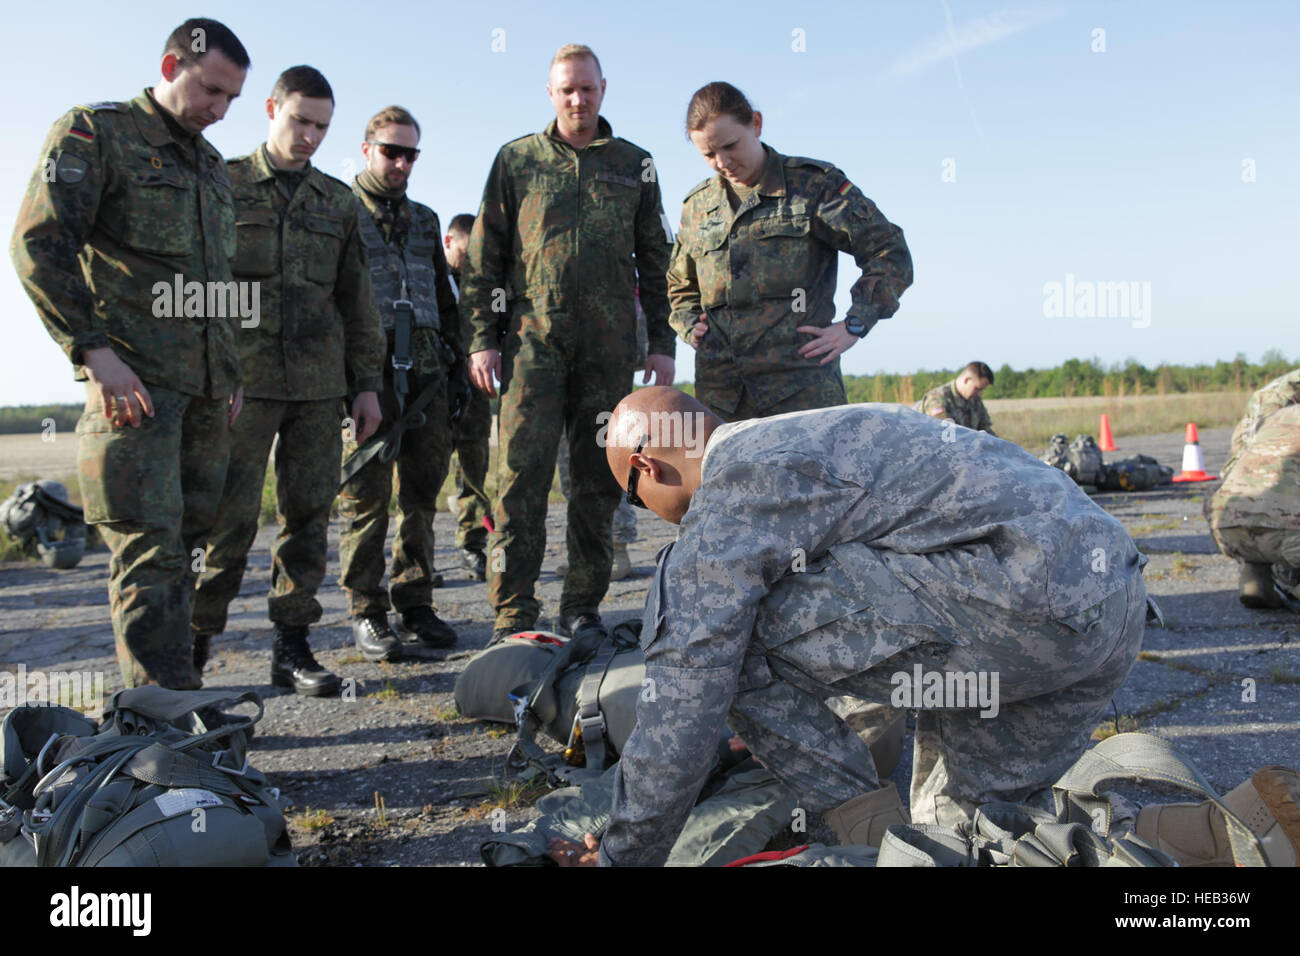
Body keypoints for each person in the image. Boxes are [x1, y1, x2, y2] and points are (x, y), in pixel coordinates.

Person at [584, 386, 1153, 865]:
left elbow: (683, 697)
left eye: (636, 502)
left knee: (723, 631)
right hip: (1112, 608)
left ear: (645, 467)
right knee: (961, 838)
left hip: (1024, 613)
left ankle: (860, 829)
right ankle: (1186, 838)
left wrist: (621, 856)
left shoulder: (734, 487)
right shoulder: (812, 429)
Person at [10, 18, 250, 690]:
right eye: (211, 90)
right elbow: (38, 245)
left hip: (205, 394)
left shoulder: (208, 163)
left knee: (187, 548)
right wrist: (92, 353)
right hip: (135, 391)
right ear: (171, 64)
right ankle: (156, 725)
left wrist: (229, 368)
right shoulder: (97, 132)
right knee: (147, 555)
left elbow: (217, 280)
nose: (220, 110)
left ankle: (176, 698)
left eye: (232, 98)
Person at [461, 44, 676, 644]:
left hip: (609, 350)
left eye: (587, 88)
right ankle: (514, 615)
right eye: (567, 90)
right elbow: (485, 259)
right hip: (532, 345)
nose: (578, 99)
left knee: (598, 482)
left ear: (604, 88)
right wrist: (482, 339)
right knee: (520, 480)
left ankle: (581, 607)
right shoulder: (517, 160)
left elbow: (658, 261)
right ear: (551, 94)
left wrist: (661, 342)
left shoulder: (636, 164)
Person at [191, 66, 385, 697]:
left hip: (317, 386)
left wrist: (365, 386)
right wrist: (212, 373)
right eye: (300, 120)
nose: (309, 136)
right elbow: (200, 288)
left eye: (322, 127)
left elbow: (358, 303)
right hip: (239, 385)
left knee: (307, 517)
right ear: (271, 108)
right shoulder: (222, 181)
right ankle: (189, 653)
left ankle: (291, 646)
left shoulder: (338, 202)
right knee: (228, 520)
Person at [668, 82, 912, 421]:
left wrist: (855, 323)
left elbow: (889, 251)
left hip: (801, 393)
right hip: (722, 398)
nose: (723, 162)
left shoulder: (813, 186)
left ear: (756, 123)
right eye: (708, 154)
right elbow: (679, 284)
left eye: (730, 145)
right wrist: (688, 323)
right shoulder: (697, 206)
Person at [339, 106, 464, 658]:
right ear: (367, 149)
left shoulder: (426, 219)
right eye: (391, 151)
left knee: (421, 495)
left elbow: (444, 295)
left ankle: (414, 601)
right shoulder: (341, 212)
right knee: (366, 497)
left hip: (428, 372)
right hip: (366, 371)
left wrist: (458, 364)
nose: (400, 163)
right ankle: (366, 611)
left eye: (410, 153)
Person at [1206, 367, 1300, 609]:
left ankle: (1254, 577)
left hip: (1228, 529)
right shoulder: (1277, 398)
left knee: (1252, 496)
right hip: (1291, 538)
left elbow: (1233, 466)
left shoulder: (1273, 413)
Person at [444, 212, 493, 582]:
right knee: (419, 481)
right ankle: (413, 562)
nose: (473, 258)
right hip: (435, 391)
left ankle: (471, 545)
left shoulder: (483, 285)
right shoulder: (430, 279)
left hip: (474, 391)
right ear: (449, 242)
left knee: (474, 472)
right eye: (467, 250)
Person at [915, 361, 997, 434]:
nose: (979, 394)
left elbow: (986, 431)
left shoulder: (975, 400)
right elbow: (944, 435)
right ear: (966, 380)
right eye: (977, 389)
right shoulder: (937, 399)